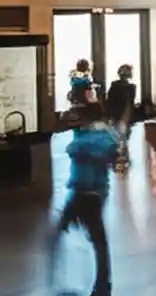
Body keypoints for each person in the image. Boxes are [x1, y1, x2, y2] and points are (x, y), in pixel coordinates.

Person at [48, 100, 119, 296]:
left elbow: (74, 149)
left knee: (66, 233)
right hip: (94, 193)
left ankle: (59, 277)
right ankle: (103, 283)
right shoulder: (104, 134)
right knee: (98, 240)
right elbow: (114, 157)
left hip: (85, 193)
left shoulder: (90, 136)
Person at [104, 65, 136, 171]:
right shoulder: (127, 87)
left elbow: (127, 104)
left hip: (120, 116)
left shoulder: (127, 87)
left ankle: (120, 160)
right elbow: (127, 104)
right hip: (120, 115)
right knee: (120, 138)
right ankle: (120, 160)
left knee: (121, 138)